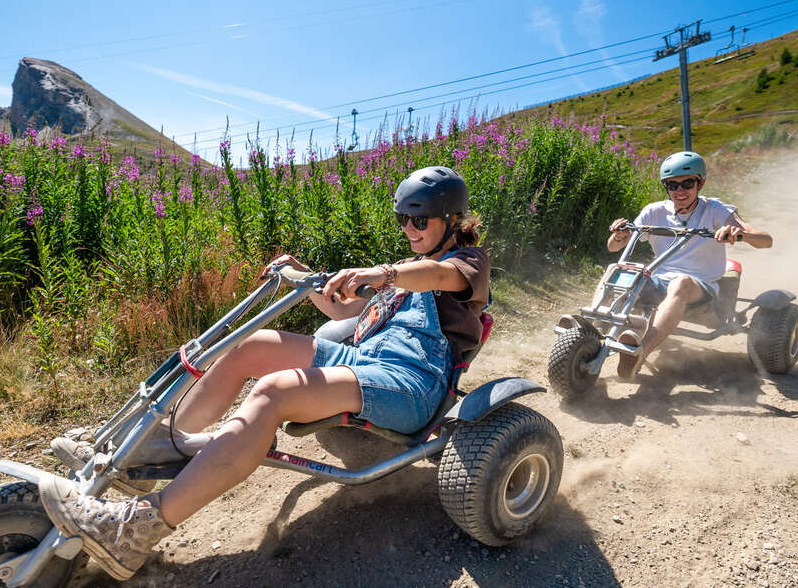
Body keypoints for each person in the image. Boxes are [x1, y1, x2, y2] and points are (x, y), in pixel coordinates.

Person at [35, 166, 490, 580]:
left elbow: (436, 276)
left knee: (274, 391)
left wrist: (383, 273)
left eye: (420, 220)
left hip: (411, 383)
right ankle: (163, 441)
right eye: (402, 220)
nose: (409, 229)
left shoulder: (466, 265)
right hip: (364, 361)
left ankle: (136, 530)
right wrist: (304, 275)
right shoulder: (404, 270)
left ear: (451, 220)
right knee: (250, 346)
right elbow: (341, 307)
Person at [606, 151, 772, 379]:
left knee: (681, 282)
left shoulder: (714, 209)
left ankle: (639, 354)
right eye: (673, 185)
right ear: (666, 187)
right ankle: (591, 334)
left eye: (687, 183)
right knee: (615, 269)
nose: (680, 190)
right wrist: (619, 235)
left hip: (699, 287)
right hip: (657, 281)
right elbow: (612, 248)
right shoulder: (654, 211)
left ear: (700, 183)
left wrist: (738, 233)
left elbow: (766, 240)